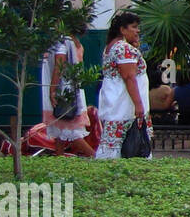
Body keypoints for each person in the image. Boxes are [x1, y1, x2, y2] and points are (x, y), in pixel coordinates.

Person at [95, 11, 151, 159]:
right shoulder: (123, 48)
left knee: (113, 142)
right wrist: (139, 105)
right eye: (134, 27)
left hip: (114, 101)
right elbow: (129, 77)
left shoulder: (112, 46)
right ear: (122, 29)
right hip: (125, 105)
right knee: (129, 143)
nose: (137, 30)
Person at [41, 20, 93, 156]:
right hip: (73, 88)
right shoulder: (76, 42)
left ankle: (96, 158)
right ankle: (59, 157)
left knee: (71, 130)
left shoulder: (63, 41)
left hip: (64, 89)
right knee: (60, 130)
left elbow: (59, 64)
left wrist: (52, 90)